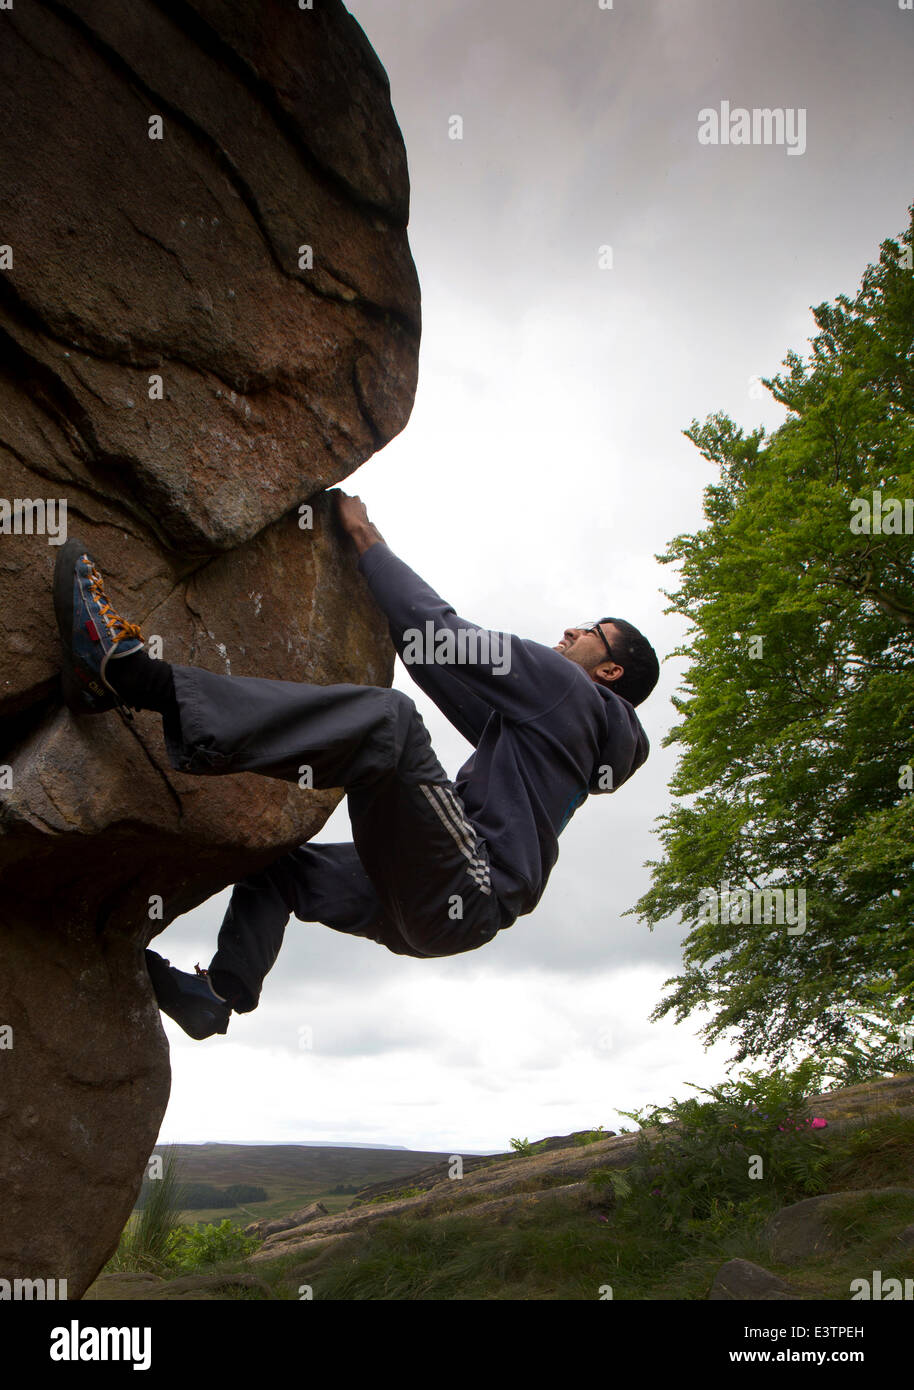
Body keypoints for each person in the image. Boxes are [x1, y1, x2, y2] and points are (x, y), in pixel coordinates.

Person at [53, 491, 658, 1040]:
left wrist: (367, 539)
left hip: (467, 883)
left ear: (609, 671)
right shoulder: (572, 737)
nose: (571, 629)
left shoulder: (570, 692)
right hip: (434, 916)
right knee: (279, 866)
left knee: (392, 724)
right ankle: (220, 994)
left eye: (591, 631)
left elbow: (441, 633)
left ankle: (129, 677)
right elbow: (439, 659)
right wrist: (388, 614)